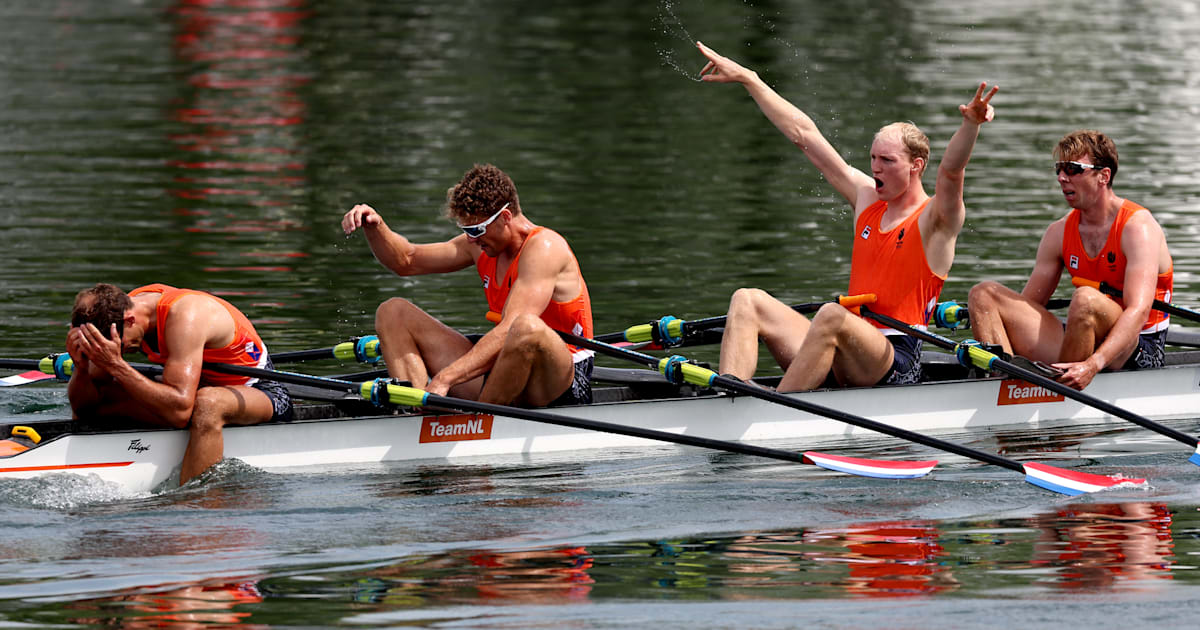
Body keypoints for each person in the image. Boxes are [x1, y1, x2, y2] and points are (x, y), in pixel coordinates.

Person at [695, 41, 997, 391]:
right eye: (873, 158)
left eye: (887, 161)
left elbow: (951, 173)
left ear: (916, 166)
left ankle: (774, 407)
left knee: (831, 314)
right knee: (747, 300)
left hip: (895, 359)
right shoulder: (867, 199)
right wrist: (751, 79)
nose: (875, 168)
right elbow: (805, 136)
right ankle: (730, 394)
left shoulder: (936, 220)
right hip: (843, 345)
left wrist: (971, 126)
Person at [340, 163, 594, 406]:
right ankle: (417, 409)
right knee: (392, 311)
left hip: (559, 380)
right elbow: (407, 260)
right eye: (466, 230)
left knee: (525, 327)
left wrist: (444, 378)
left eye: (476, 230)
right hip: (505, 368)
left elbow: (510, 329)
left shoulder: (545, 247)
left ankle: (477, 423)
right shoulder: (481, 246)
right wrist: (376, 227)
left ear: (504, 217)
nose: (471, 240)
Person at [967, 130, 1173, 390]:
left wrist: (1093, 364)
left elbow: (1139, 311)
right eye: (1059, 168)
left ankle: (1061, 387)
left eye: (1074, 169)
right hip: (1084, 336)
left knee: (1085, 299)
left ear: (1103, 176)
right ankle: (1003, 385)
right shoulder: (1059, 232)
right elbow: (1029, 306)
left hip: (1137, 348)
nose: (1062, 177)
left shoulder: (1137, 227)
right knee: (983, 295)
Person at [66, 283, 293, 484]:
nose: (119, 350)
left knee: (207, 404)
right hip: (194, 386)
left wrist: (116, 365)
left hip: (259, 389)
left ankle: (196, 508)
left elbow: (180, 412)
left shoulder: (187, 315)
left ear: (130, 320)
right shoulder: (118, 313)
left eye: (118, 344)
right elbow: (83, 409)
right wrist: (83, 369)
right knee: (106, 395)